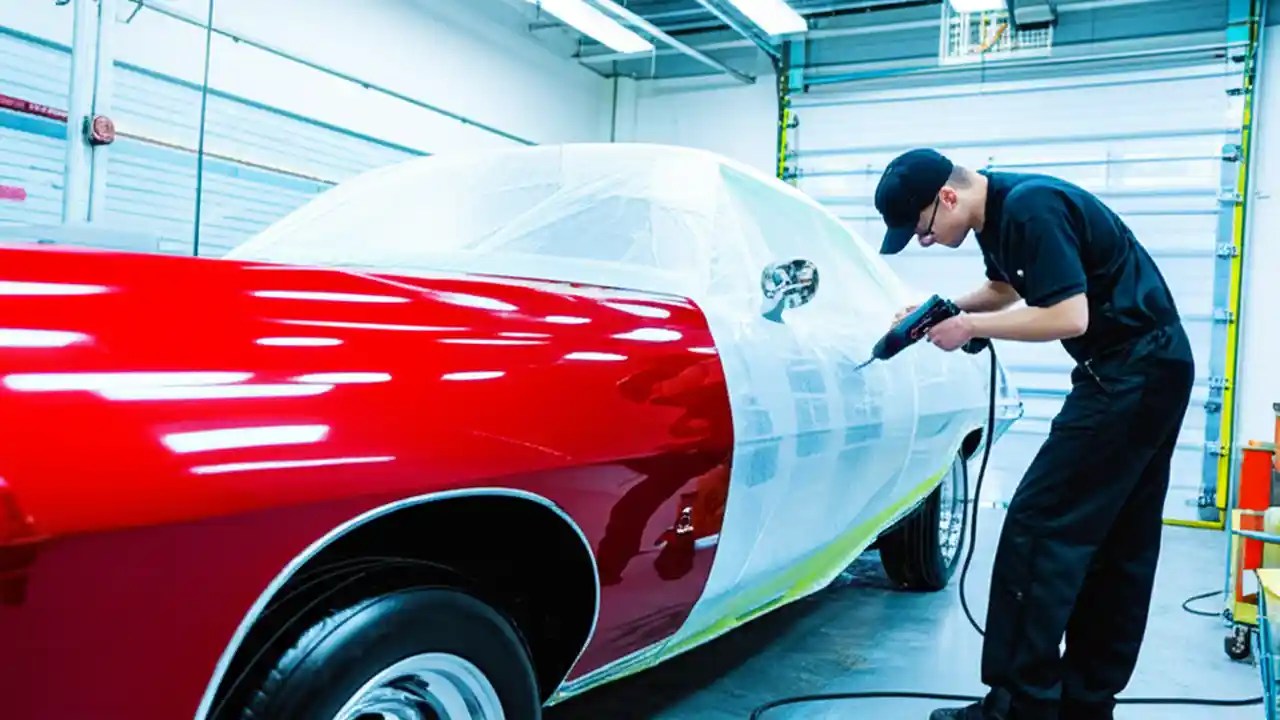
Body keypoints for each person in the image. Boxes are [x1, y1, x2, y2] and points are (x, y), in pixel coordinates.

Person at [872, 148, 1196, 720]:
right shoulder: (997, 214)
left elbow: (1070, 317)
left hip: (1130, 373)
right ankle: (1085, 702)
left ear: (947, 197)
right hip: (1150, 369)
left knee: (1038, 528)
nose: (922, 242)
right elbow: (1007, 290)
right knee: (1119, 540)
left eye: (921, 229)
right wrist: (934, 310)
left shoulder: (1030, 208)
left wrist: (968, 326)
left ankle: (1020, 708)